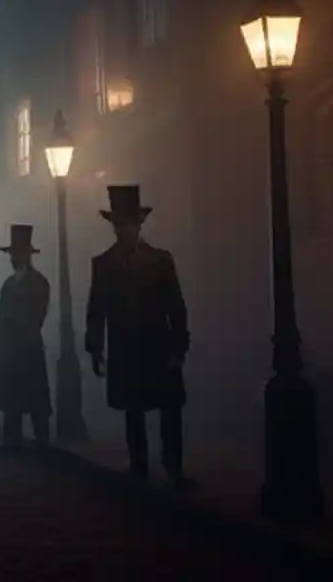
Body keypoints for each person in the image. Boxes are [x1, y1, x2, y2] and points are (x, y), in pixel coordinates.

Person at [85, 185, 193, 487]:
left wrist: (179, 346)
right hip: (126, 346)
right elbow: (96, 309)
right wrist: (95, 348)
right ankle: (139, 464)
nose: (125, 231)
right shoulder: (103, 264)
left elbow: (176, 305)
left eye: (130, 224)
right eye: (120, 225)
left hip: (159, 344)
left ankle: (174, 467)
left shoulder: (160, 260)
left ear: (139, 225)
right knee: (133, 410)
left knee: (169, 409)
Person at [0, 224, 53, 449]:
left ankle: (42, 442)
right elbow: (0, 314)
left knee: (35, 398)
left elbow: (38, 315)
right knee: (11, 399)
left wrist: (15, 330)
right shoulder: (8, 284)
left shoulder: (39, 282)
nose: (14, 259)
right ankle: (11, 440)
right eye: (12, 254)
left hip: (28, 348)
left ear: (27, 256)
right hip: (9, 350)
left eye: (17, 254)